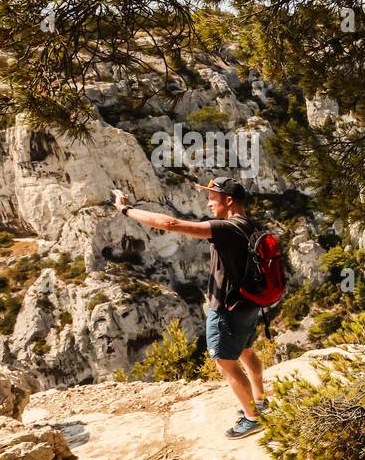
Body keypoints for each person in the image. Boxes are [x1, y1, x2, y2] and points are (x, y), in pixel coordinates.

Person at [113, 177, 268, 438]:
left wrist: (125, 210)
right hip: (250, 303)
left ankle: (252, 418)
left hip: (227, 306)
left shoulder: (226, 228)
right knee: (246, 351)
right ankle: (260, 401)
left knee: (225, 363)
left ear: (228, 201)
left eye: (212, 198)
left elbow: (170, 223)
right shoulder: (251, 226)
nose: (208, 203)